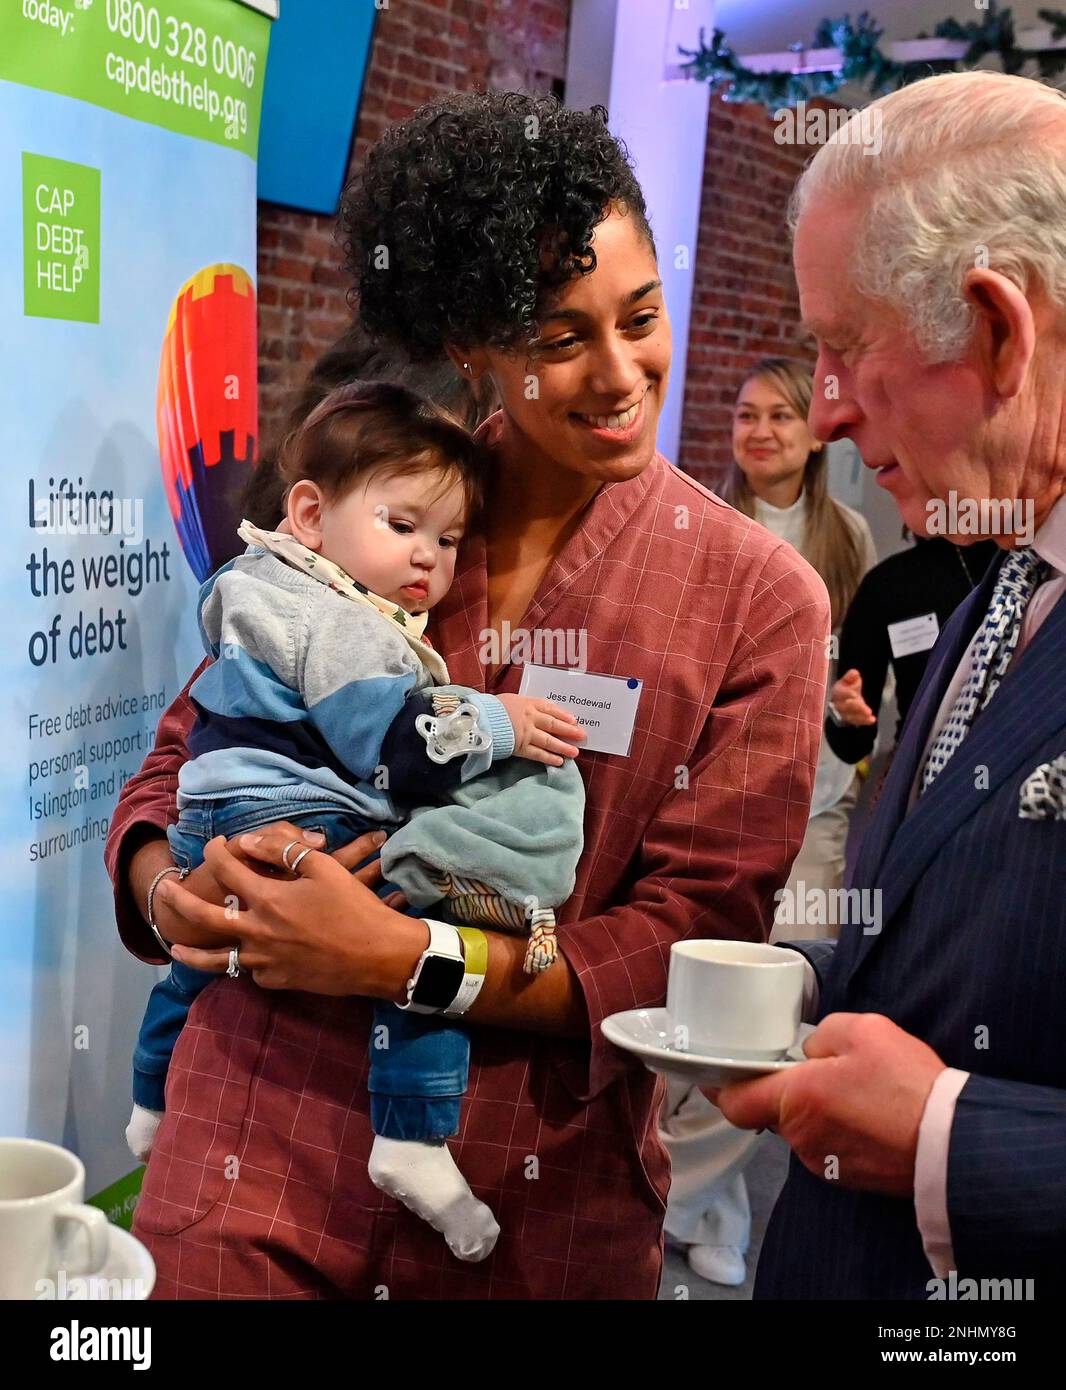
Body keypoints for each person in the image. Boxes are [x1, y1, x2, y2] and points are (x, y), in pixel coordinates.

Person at [104, 90, 829, 1300]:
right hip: (247, 1157)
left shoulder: (757, 599)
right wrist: (172, 889)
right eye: (558, 337)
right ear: (470, 340)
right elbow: (182, 751)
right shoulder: (379, 499)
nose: (618, 373)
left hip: (523, 1194)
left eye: (641, 317)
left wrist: (406, 957)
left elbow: (687, 941)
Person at [714, 69, 1066, 1300]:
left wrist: (944, 1136)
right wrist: (798, 979)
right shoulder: (1001, 576)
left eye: (843, 348)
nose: (826, 410)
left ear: (996, 329)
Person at [126, 380, 587, 1263]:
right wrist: (501, 722)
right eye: (404, 526)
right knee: (418, 943)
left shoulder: (258, 584)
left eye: (449, 540)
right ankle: (412, 1135)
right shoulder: (343, 622)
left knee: (198, 963)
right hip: (298, 816)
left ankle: (149, 1097)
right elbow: (393, 746)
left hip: (212, 813)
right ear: (310, 513)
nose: (429, 561)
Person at [723, 357, 877, 928]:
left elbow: (861, 662)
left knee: (799, 950)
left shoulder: (849, 534)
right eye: (746, 416)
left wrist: (852, 710)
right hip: (721, 785)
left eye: (780, 416)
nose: (760, 432)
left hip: (816, 792)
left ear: (814, 435)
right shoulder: (702, 522)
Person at [825, 534, 999, 764]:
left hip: (1024, 763)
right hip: (924, 772)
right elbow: (853, 745)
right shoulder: (887, 584)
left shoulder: (1037, 567)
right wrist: (845, 716)